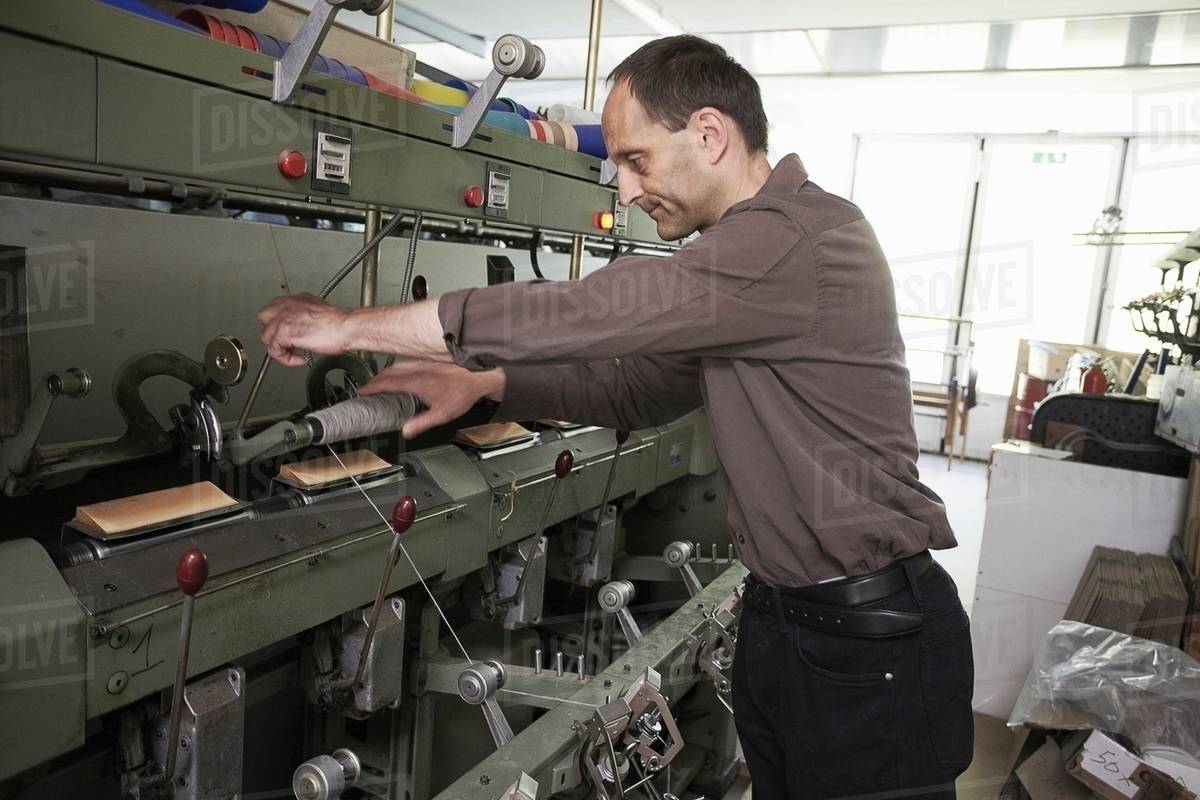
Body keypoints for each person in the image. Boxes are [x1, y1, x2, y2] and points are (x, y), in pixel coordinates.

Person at [258, 35, 974, 800]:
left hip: (865, 640)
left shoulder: (791, 237)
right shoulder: (751, 266)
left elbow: (594, 310)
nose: (626, 190)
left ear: (709, 134)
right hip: (795, 622)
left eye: (636, 160)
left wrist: (351, 327)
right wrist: (486, 385)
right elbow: (639, 391)